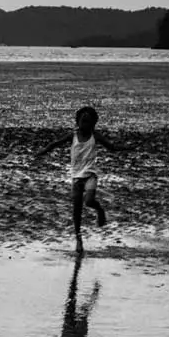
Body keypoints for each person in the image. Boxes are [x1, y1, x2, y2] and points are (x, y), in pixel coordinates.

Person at [34, 106, 130, 255]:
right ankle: (78, 239)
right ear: (77, 122)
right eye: (82, 121)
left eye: (88, 122)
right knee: (76, 209)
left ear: (93, 124)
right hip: (76, 177)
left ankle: (99, 210)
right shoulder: (72, 135)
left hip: (90, 175)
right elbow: (55, 144)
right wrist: (43, 151)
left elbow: (112, 147)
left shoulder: (95, 136)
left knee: (89, 201)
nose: (84, 125)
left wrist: (127, 148)